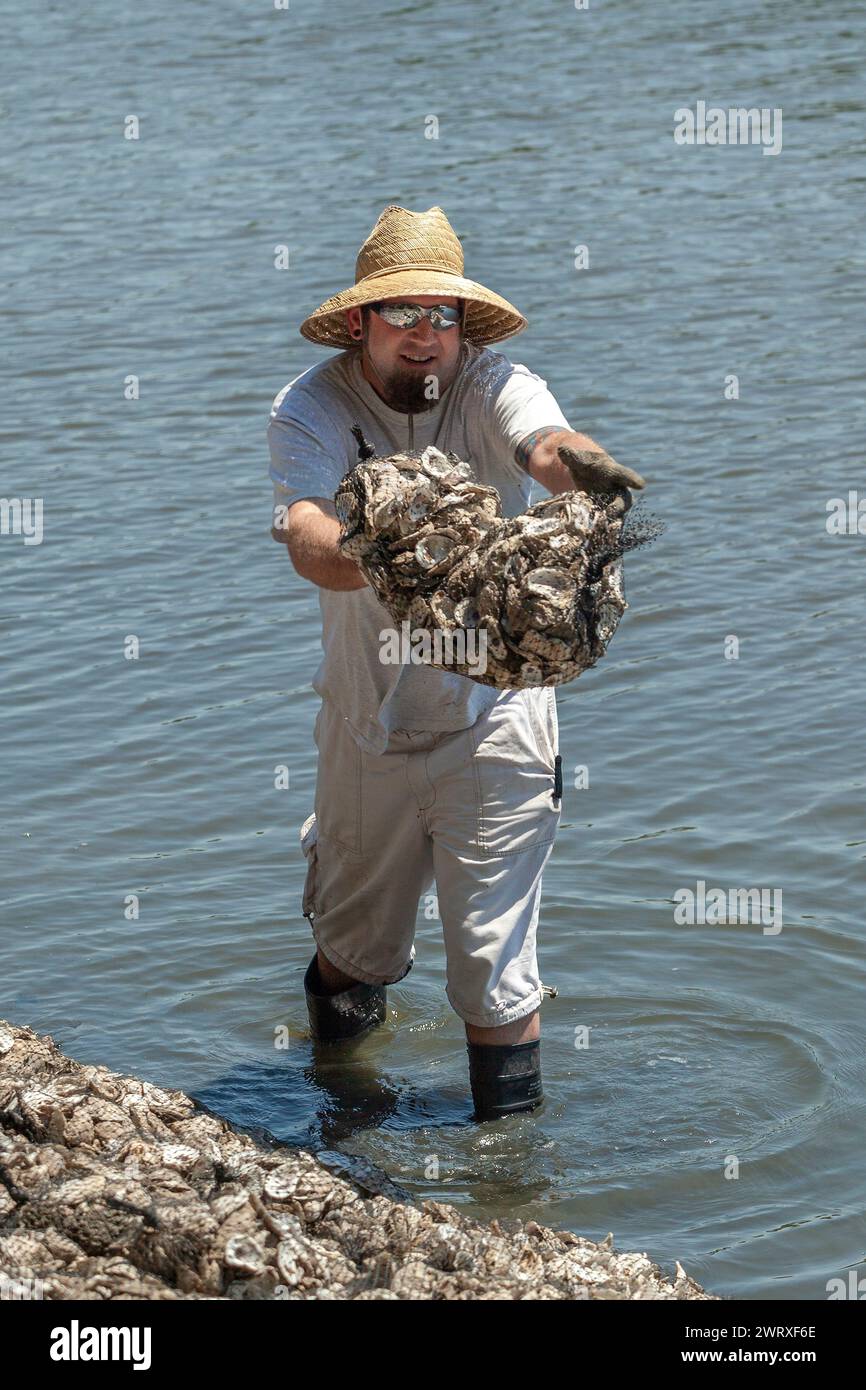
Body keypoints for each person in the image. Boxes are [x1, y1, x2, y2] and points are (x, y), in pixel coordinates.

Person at [268, 204, 643, 1120]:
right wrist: (385, 550)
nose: (426, 337)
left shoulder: (495, 383)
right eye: (403, 316)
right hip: (368, 726)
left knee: (494, 972)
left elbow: (544, 444)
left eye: (443, 316)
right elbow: (306, 534)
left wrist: (590, 471)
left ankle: (507, 1194)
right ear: (360, 322)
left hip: (497, 719)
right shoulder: (309, 406)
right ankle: (340, 1113)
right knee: (354, 953)